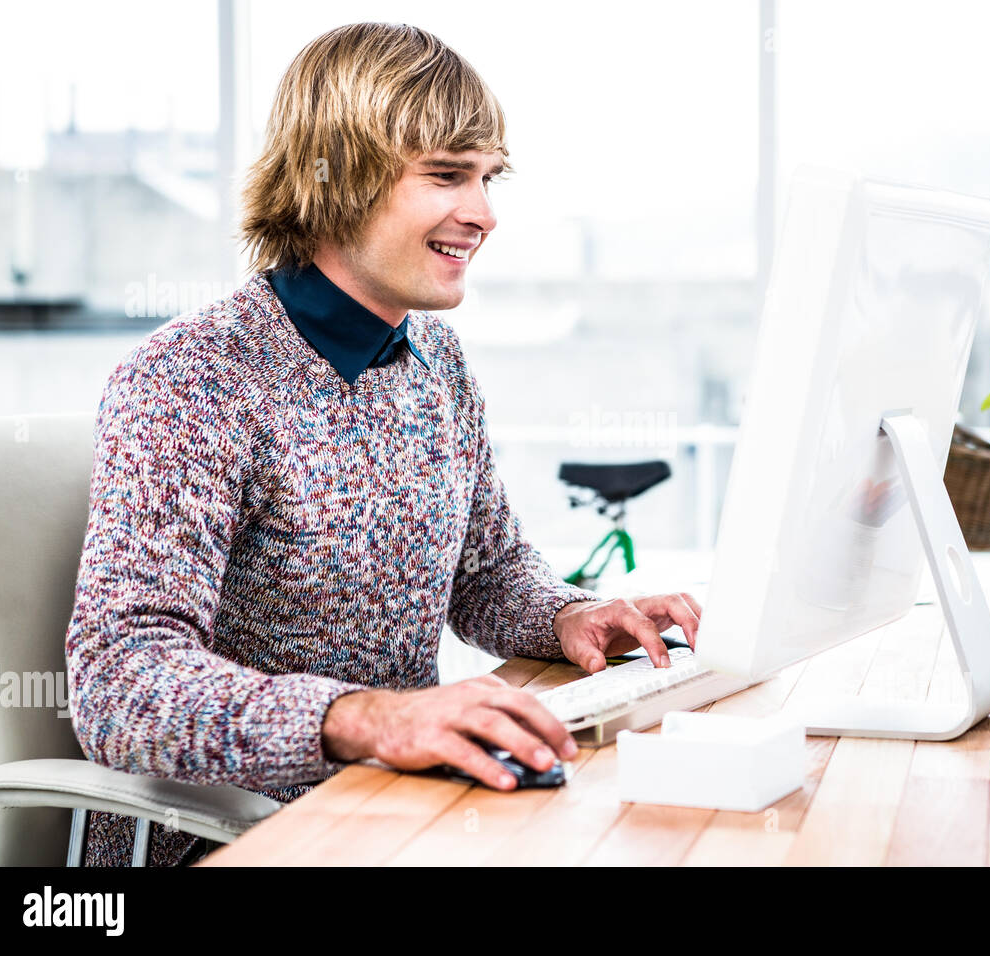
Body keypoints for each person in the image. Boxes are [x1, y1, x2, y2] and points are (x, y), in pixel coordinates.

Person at [64, 21, 701, 867]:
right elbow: (121, 683)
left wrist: (569, 615)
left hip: (398, 812)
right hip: (230, 839)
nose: (482, 214)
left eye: (487, 178)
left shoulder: (435, 359)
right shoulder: (195, 377)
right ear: (338, 179)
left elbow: (487, 574)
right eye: (447, 176)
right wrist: (364, 718)